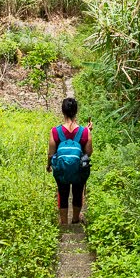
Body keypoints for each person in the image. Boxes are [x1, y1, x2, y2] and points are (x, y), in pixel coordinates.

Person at [47, 96, 92, 225]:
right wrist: (88, 132)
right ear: (76, 112)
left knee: (63, 193)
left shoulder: (55, 131)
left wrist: (48, 165)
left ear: (63, 111)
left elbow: (51, 153)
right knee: (77, 193)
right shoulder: (84, 132)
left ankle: (64, 223)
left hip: (61, 170)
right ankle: (76, 219)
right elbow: (88, 153)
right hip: (78, 170)